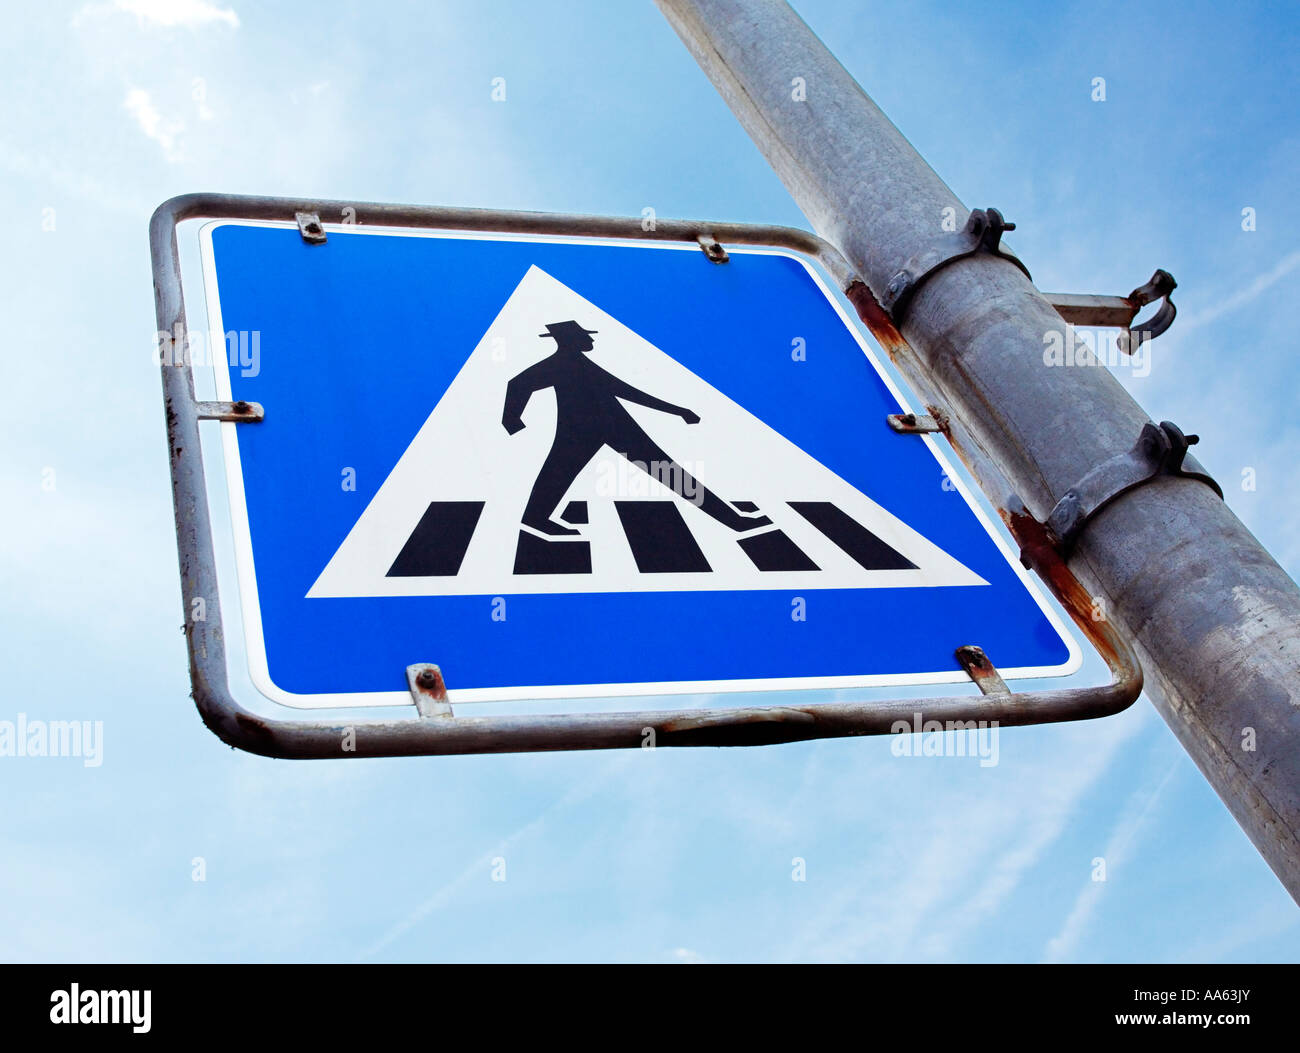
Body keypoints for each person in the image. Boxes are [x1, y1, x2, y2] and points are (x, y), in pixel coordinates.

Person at [503, 320, 771, 537]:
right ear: (571, 339)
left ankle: (732, 520)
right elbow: (517, 384)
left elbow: (627, 391)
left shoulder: (581, 364)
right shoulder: (560, 364)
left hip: (612, 425)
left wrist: (678, 411)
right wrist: (512, 421)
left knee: (667, 471)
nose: (591, 340)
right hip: (583, 430)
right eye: (586, 336)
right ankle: (535, 519)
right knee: (665, 471)